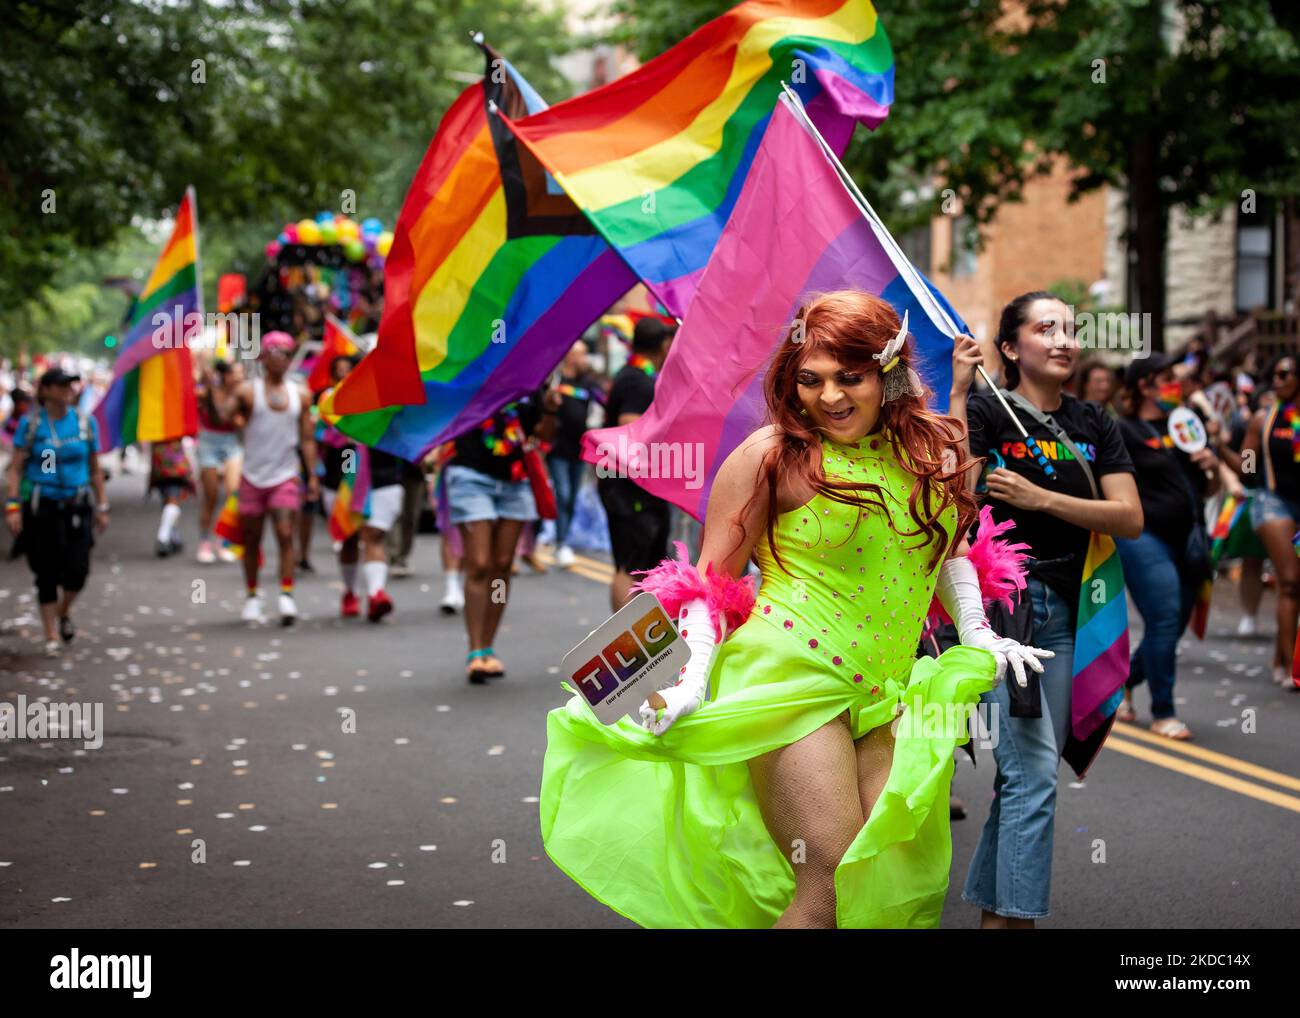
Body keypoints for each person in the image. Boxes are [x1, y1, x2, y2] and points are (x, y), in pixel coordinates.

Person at [540, 291, 1051, 928]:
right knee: (829, 883)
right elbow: (711, 582)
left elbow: (944, 547)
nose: (829, 397)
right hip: (790, 681)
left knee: (881, 881)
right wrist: (691, 682)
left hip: (890, 691)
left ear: (888, 373)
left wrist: (978, 633)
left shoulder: (936, 449)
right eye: (811, 379)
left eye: (849, 377)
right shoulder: (772, 455)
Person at [956, 290, 1141, 927]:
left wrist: (1042, 498)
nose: (1064, 340)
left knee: (1025, 778)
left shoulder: (1093, 422)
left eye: (1070, 329)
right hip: (1009, 609)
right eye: (1046, 329)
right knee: (1033, 775)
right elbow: (949, 494)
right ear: (1010, 348)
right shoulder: (984, 408)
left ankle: (995, 918)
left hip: (1074, 608)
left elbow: (1129, 516)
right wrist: (956, 396)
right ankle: (1016, 922)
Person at [1113, 354, 1221, 738]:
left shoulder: (1185, 427)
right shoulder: (1124, 430)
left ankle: (1124, 681)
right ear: (1145, 384)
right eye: (1168, 378)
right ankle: (1164, 711)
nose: (1176, 384)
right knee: (1163, 616)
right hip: (1144, 537)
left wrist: (1210, 466)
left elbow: (1209, 489)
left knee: (1171, 627)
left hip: (1190, 539)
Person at [445, 386, 561, 682]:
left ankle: (487, 646)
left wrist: (549, 409)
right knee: (480, 564)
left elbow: (542, 437)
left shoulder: (531, 384)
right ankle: (474, 651)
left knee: (501, 565)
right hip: (471, 477)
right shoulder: (477, 373)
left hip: (515, 482)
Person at [3, 369, 109, 656]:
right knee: (46, 571)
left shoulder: (86, 423)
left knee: (78, 571)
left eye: (70, 384)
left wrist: (102, 506)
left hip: (77, 505)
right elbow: (15, 468)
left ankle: (63, 610)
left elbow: (95, 468)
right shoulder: (32, 424)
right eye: (61, 385)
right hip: (43, 507)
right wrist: (13, 507)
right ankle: (50, 634)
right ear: (46, 390)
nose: (69, 389)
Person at [220, 332, 318, 625]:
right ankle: (252, 595)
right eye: (273, 351)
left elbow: (308, 439)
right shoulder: (248, 392)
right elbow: (226, 417)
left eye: (285, 352)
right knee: (252, 539)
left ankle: (286, 595)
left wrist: (311, 475)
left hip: (285, 475)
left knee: (286, 533)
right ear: (262, 358)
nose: (279, 357)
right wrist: (225, 391)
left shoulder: (301, 393)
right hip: (252, 476)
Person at [1219, 351, 1300, 686]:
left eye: (1286, 375)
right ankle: (1288, 670)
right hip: (1273, 503)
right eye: (1275, 376)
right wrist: (1219, 447)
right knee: (1291, 581)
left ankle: (1283, 656)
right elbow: (1248, 469)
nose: (1278, 381)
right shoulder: (1262, 420)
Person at [597, 317, 674, 612]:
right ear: (663, 344)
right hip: (628, 487)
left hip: (637, 485)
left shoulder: (632, 375)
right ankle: (625, 637)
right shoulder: (638, 382)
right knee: (630, 565)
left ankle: (637, 637)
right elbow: (629, 429)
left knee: (645, 566)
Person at [546, 340, 603, 568]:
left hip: (579, 450)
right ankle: (561, 542)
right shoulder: (556, 381)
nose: (584, 359)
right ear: (569, 356)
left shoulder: (587, 383)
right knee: (564, 494)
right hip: (558, 449)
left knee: (572, 497)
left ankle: (565, 540)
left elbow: (600, 404)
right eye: (580, 355)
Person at [195, 360, 245, 563]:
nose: (240, 377)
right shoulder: (207, 392)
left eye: (242, 373)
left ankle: (223, 540)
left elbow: (242, 421)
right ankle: (205, 541)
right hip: (208, 443)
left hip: (232, 443)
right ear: (226, 376)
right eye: (236, 373)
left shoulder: (243, 395)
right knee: (211, 496)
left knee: (234, 493)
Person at [149, 438, 195, 557]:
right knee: (172, 503)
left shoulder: (155, 429)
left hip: (161, 469)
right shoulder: (176, 428)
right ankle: (164, 537)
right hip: (174, 470)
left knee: (168, 504)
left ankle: (173, 537)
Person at [385, 457, 428, 578]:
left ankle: (403, 556)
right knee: (395, 516)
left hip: (414, 473)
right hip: (391, 474)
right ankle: (394, 557)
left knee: (411, 517)